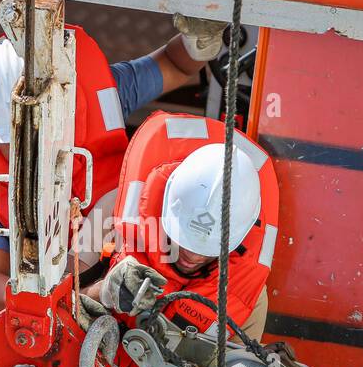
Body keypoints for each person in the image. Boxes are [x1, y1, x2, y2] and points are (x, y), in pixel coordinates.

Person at [0, 14, 226, 315]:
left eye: (46, 135)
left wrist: (197, 43)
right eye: (14, 144)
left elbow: (175, 65)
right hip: (74, 299)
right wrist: (87, 297)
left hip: (155, 261)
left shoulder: (102, 93)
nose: (35, 153)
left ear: (68, 104)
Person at [90, 111, 279, 341]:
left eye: (208, 249)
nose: (192, 254)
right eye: (183, 236)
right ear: (167, 205)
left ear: (237, 241)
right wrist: (104, 291)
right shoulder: (112, 211)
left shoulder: (252, 298)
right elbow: (54, 300)